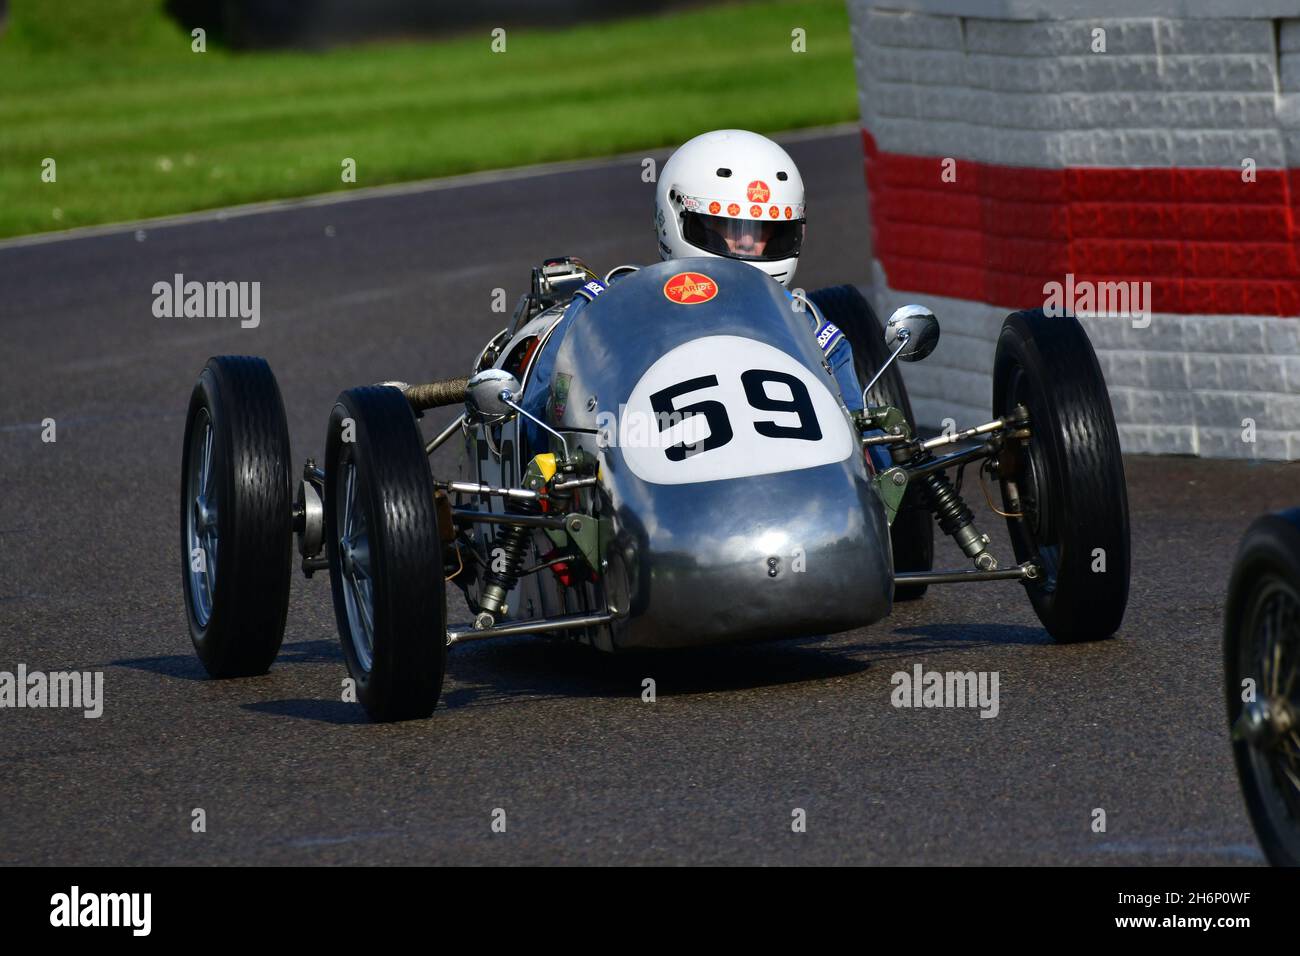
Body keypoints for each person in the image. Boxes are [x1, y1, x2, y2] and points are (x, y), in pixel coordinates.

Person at [654, 128, 863, 412]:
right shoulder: (620, 307)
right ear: (677, 217)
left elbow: (863, 431)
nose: (749, 241)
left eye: (767, 229)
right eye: (726, 227)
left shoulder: (807, 322)